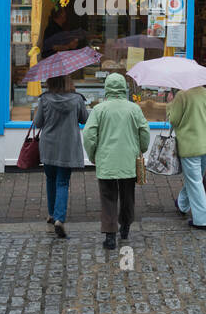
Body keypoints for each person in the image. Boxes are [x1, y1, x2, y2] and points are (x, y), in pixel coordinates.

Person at [81, 73, 150, 249]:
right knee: (128, 195)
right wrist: (141, 149)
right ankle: (125, 226)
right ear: (123, 88)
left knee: (108, 197)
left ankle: (110, 235)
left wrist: (92, 155)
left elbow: (89, 135)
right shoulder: (134, 109)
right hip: (129, 159)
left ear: (107, 89)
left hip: (106, 159)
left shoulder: (99, 109)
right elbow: (144, 132)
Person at [31, 75, 88, 238]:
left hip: (49, 145)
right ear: (67, 81)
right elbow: (85, 119)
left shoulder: (45, 99)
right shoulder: (77, 99)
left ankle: (51, 213)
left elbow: (38, 123)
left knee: (50, 179)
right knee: (62, 182)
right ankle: (59, 219)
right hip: (68, 146)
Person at [168, 85, 206, 229]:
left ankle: (201, 220)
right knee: (195, 178)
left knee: (194, 181)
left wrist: (170, 104)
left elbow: (173, 120)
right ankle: (182, 204)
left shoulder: (181, 95)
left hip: (190, 145)